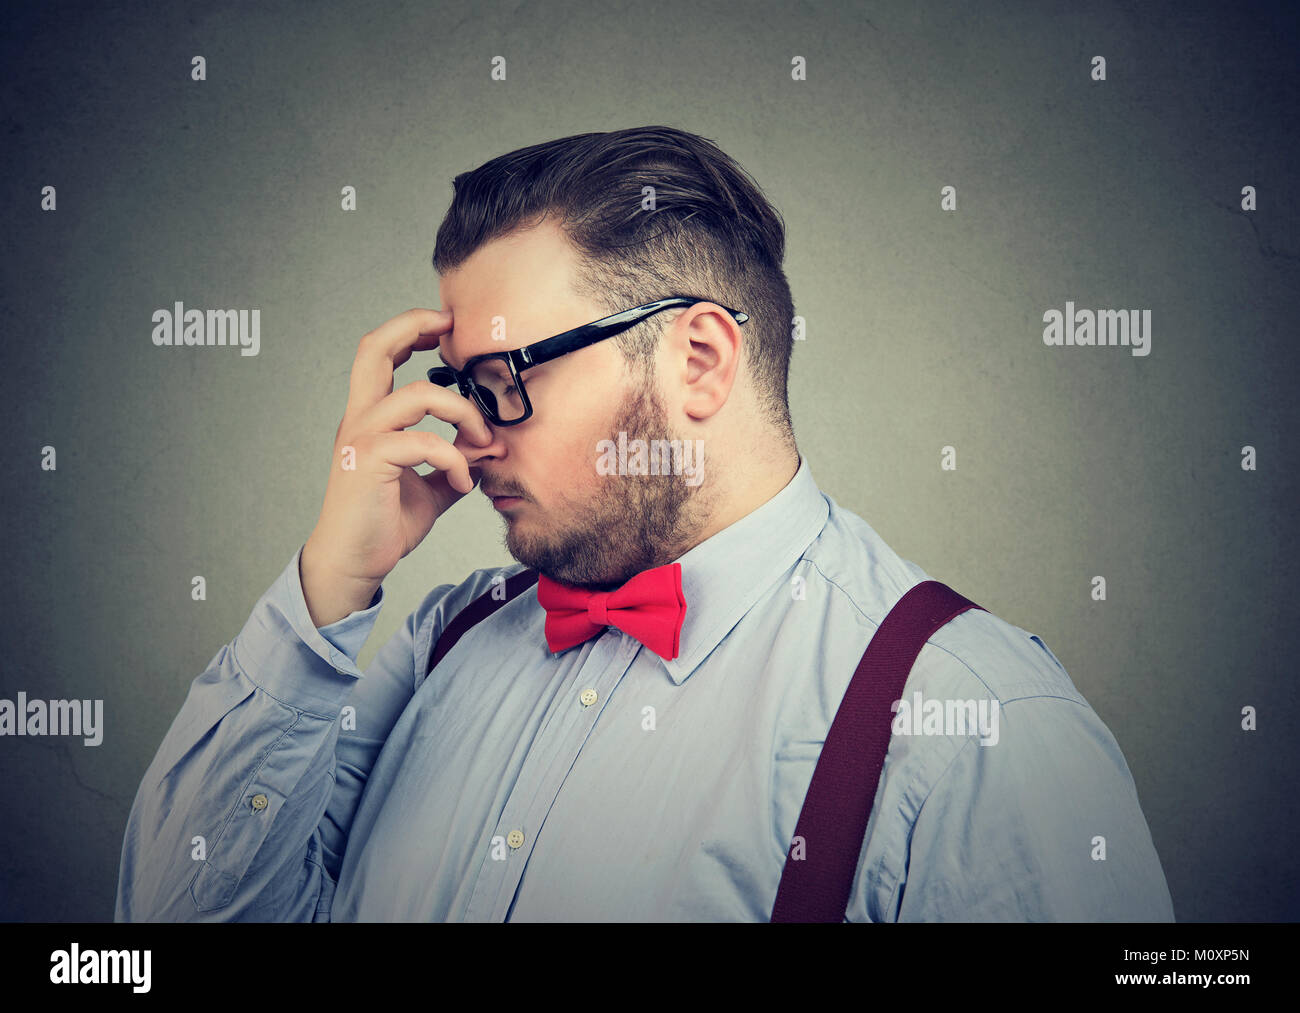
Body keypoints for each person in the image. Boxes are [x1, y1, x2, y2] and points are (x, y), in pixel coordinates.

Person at [114, 125, 1175, 921]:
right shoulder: (440, 642)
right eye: (459, 386)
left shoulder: (979, 721)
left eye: (503, 379)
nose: (468, 437)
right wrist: (327, 589)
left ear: (699, 360)